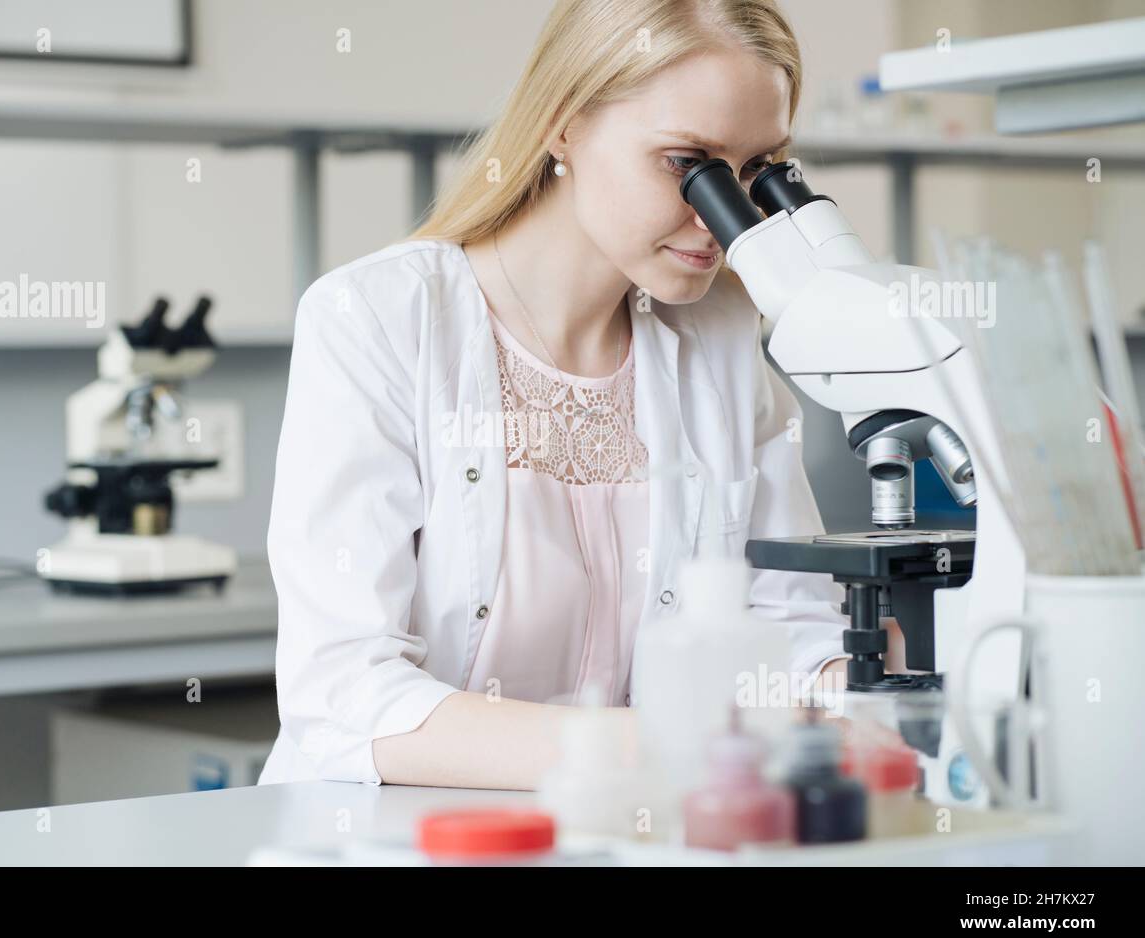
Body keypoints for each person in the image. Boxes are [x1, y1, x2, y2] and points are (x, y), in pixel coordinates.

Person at [258, 0, 873, 790]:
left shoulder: (719, 330)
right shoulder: (381, 317)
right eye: (687, 162)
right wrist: (652, 747)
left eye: (755, 173)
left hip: (627, 831)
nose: (720, 216)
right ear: (563, 125)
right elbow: (343, 692)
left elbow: (787, 621)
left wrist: (855, 701)